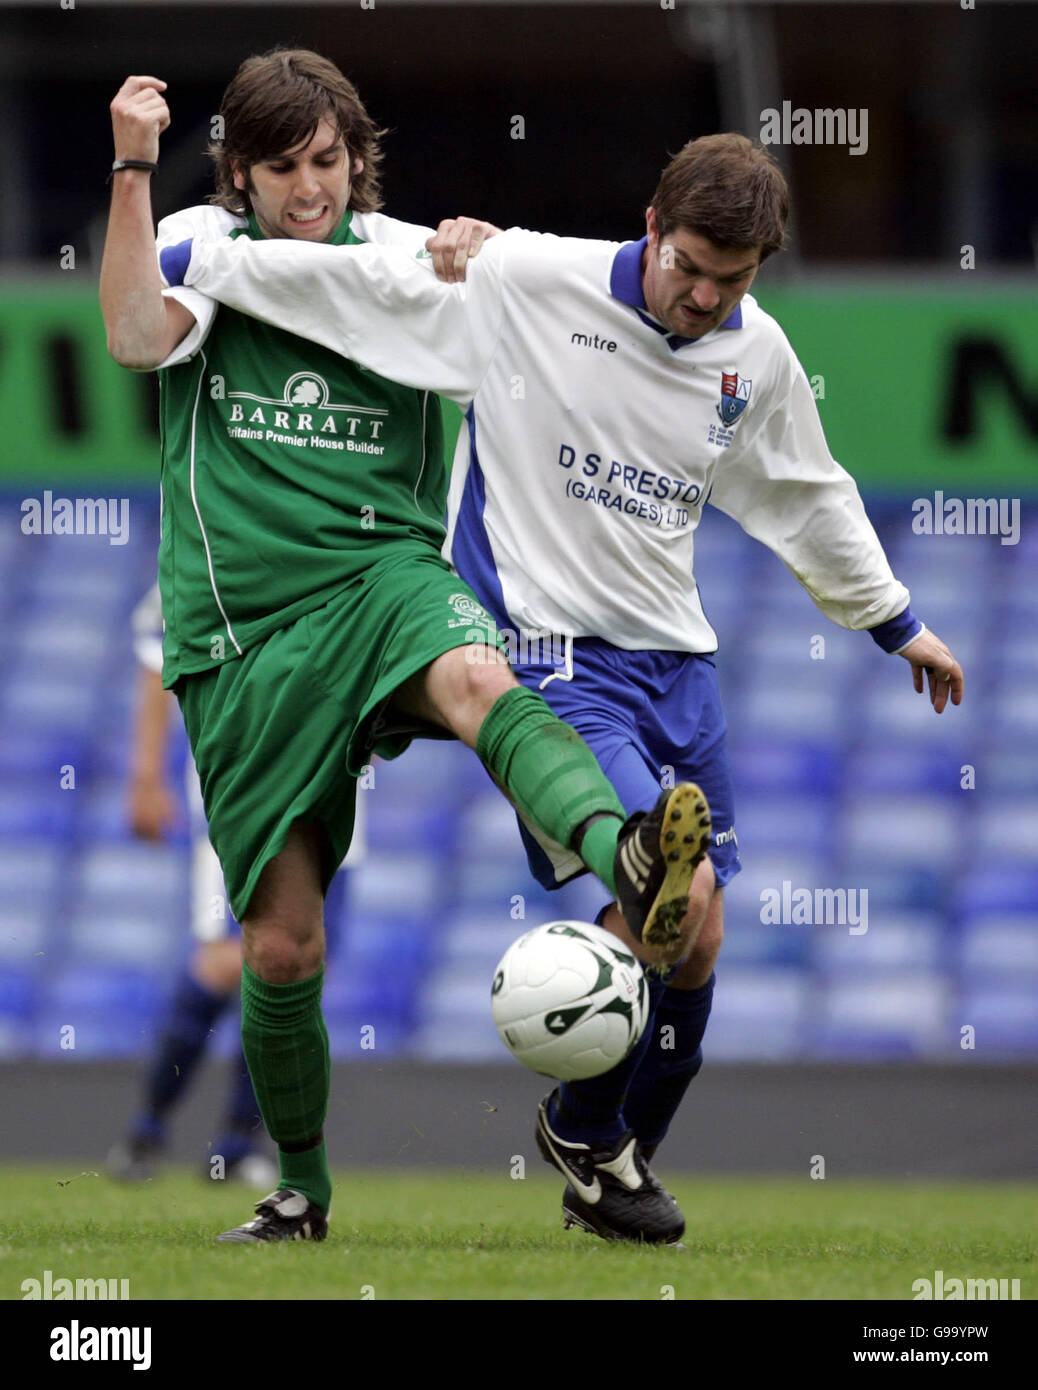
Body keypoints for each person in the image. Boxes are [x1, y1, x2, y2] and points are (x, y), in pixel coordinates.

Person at [164, 131, 965, 1246]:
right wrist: (197, 263)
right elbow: (367, 284)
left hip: (678, 663)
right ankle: (590, 1130)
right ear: (651, 224)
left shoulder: (758, 356)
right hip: (553, 656)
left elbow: (803, 489)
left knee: (704, 939)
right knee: (667, 908)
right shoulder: (532, 278)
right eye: (688, 264)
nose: (701, 294)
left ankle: (596, 1152)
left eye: (729, 280)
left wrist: (896, 622)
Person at [99, 49, 706, 1246]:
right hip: (242, 632)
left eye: (327, 161)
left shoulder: (419, 264)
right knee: (279, 946)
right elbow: (127, 332)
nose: (309, 189)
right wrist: (127, 164)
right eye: (281, 169)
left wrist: (495, 260)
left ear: (356, 159)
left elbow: (592, 312)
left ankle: (622, 851)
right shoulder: (205, 251)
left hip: (383, 576)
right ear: (240, 174)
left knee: (481, 675)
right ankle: (300, 1192)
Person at [107, 583, 348, 1189]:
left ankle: (239, 1144)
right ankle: (146, 1131)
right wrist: (144, 776)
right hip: (244, 792)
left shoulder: (347, 535)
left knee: (294, 972)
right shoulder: (215, 530)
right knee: (223, 964)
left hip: (338, 812)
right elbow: (155, 654)